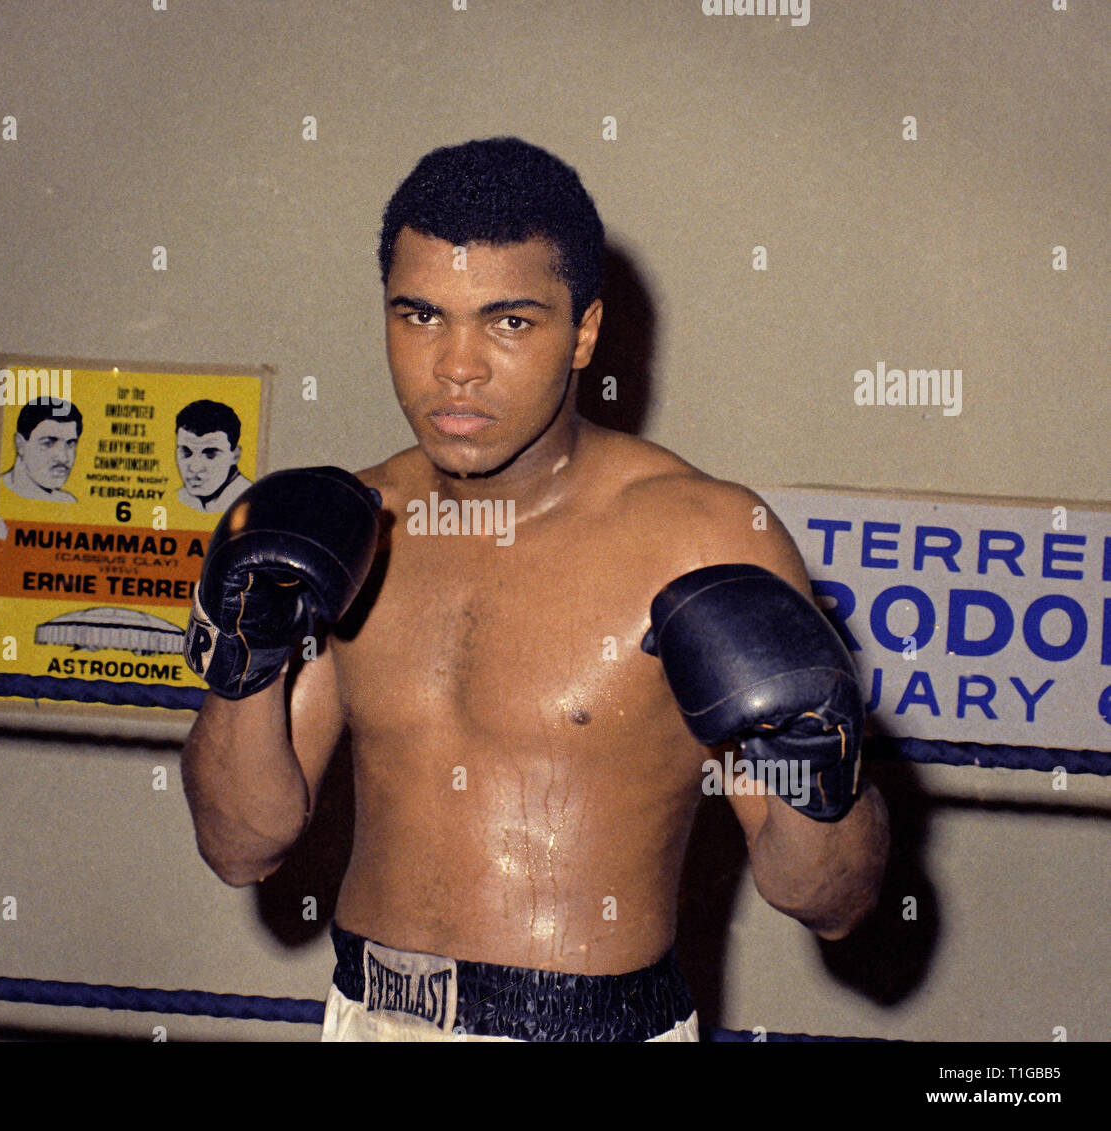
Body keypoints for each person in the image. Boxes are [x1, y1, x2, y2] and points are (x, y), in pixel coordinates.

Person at [179, 137, 889, 1042]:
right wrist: (242, 664)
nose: (456, 365)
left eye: (509, 321)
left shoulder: (697, 536)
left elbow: (830, 900)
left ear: (583, 331)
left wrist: (814, 770)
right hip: (367, 1016)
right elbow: (241, 846)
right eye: (421, 316)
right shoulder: (349, 525)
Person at [174, 399, 252, 512]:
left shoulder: (251, 501)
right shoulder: (180, 498)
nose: (195, 468)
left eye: (210, 454)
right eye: (186, 452)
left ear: (235, 456)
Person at [1, 398, 82, 502]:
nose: (63, 458)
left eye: (70, 444)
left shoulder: (67, 501)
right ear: (20, 445)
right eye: (48, 443)